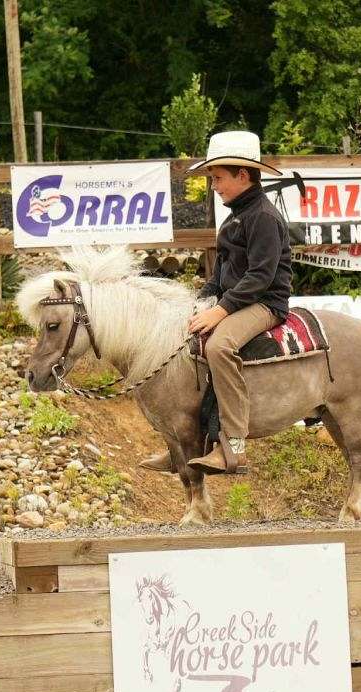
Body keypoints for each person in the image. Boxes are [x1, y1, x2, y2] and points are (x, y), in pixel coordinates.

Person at [141, 131, 293, 475]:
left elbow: (261, 277)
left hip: (265, 303)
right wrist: (202, 302)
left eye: (218, 178)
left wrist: (221, 310)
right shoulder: (237, 215)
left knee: (220, 346)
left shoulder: (263, 217)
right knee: (186, 339)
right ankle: (185, 440)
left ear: (243, 175)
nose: (214, 185)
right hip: (236, 301)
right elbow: (222, 271)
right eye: (212, 178)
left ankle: (234, 447)